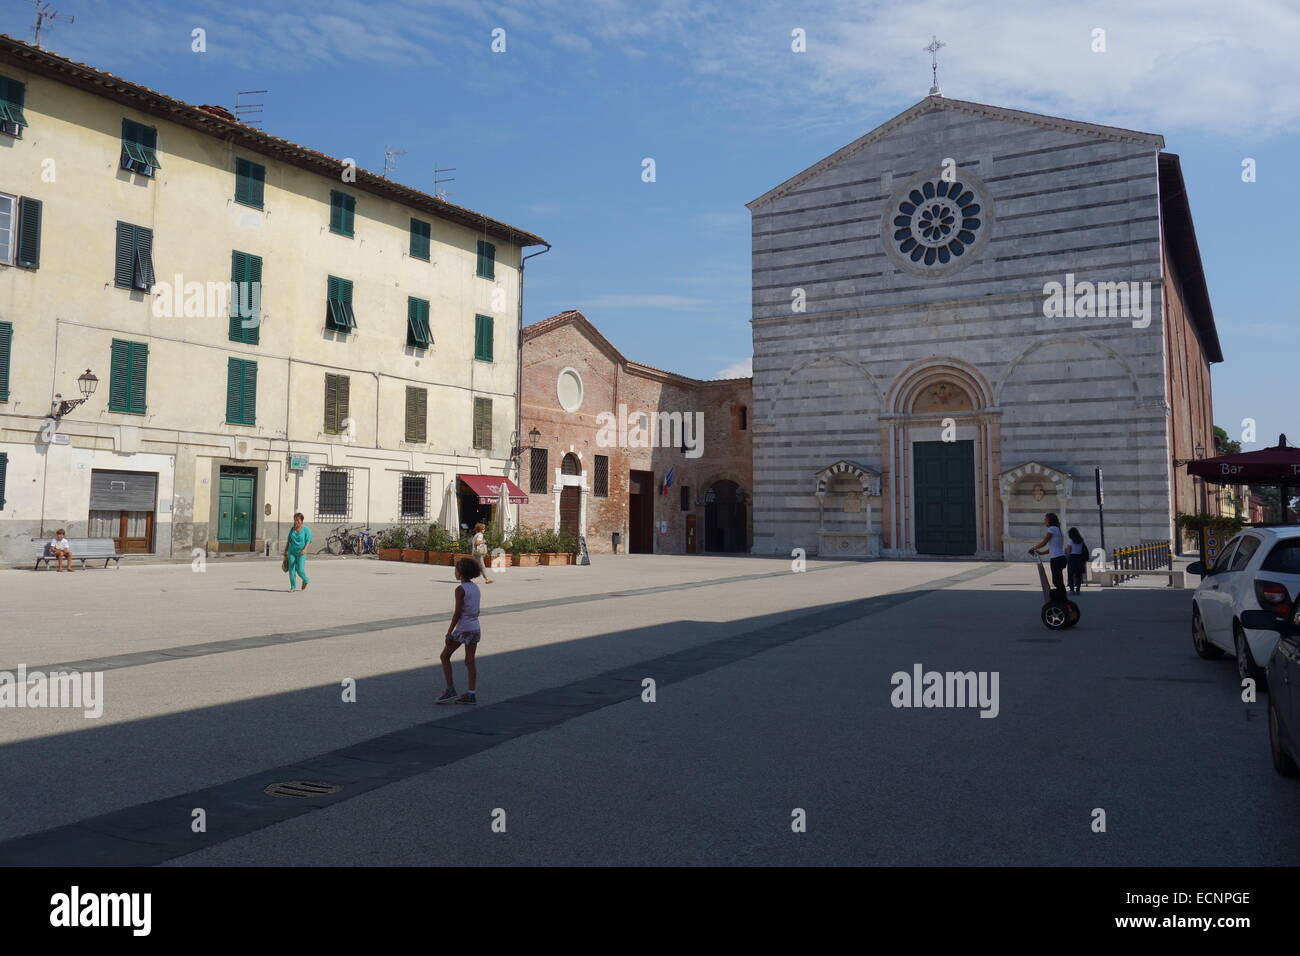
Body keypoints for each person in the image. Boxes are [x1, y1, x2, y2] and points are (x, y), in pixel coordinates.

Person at [437, 557, 482, 704]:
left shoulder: (460, 589)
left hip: (463, 628)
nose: (454, 572)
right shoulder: (475, 587)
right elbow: (477, 610)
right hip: (475, 627)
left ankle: (450, 690)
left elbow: (457, 612)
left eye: (456, 569)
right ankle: (471, 693)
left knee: (445, 656)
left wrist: (449, 632)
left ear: (460, 572)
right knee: (470, 661)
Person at [1028, 513, 1068, 597]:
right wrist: (1041, 553)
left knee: (1057, 581)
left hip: (1056, 559)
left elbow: (1045, 542)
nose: (1044, 521)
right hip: (1061, 557)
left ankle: (1062, 598)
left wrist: (1033, 548)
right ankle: (1063, 597)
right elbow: (1053, 547)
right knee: (1058, 580)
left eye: (1045, 519)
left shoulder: (1052, 529)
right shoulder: (1058, 529)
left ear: (1050, 520)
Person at [286, 513, 311, 592]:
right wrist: (286, 551)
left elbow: (308, 541)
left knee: (300, 569)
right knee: (291, 569)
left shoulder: (306, 529)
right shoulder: (292, 529)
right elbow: (289, 540)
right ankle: (293, 587)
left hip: (301, 552)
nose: (296, 522)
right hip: (292, 552)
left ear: (301, 521)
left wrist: (305, 549)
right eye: (295, 520)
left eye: (297, 520)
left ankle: (305, 580)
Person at [1066, 527, 1089, 594]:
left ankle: (1072, 589)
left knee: (1070, 574)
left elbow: (1069, 550)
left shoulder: (1070, 540)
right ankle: (1078, 589)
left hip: (1072, 558)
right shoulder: (1081, 540)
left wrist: (1067, 550)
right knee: (1078, 574)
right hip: (1079, 558)